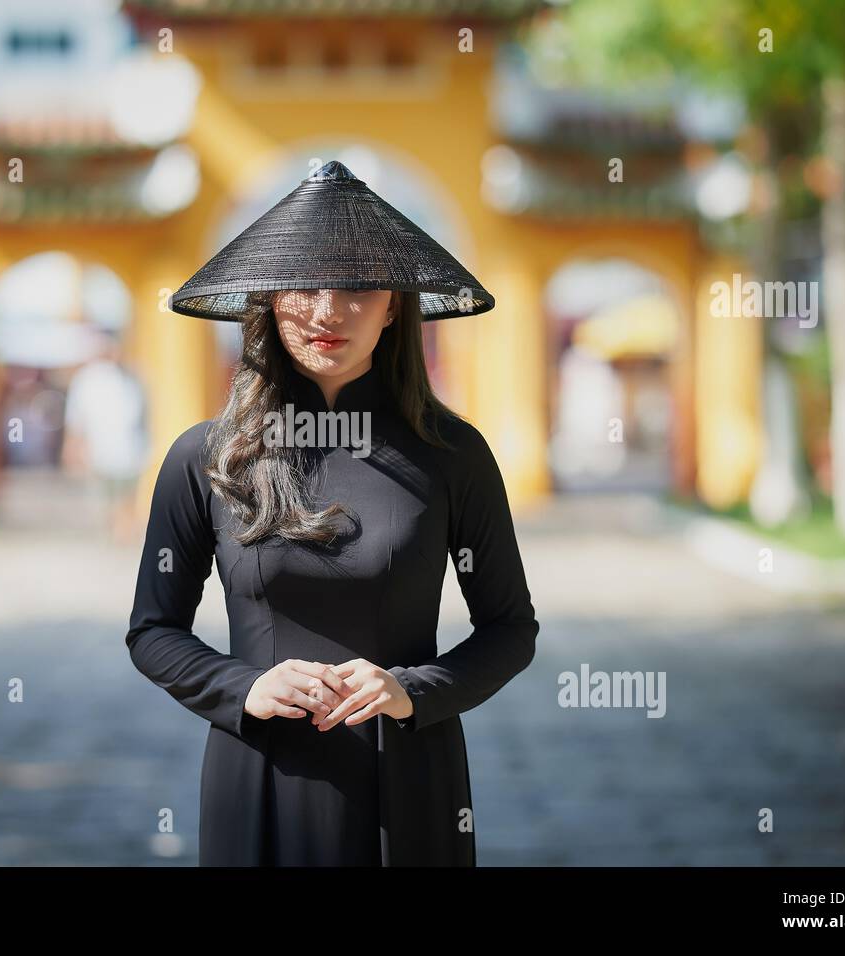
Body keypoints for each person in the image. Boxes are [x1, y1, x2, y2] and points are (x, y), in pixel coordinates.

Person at [125, 161, 539, 866]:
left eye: (355, 288)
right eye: (303, 286)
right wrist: (245, 685)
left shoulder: (453, 453)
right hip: (256, 773)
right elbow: (153, 631)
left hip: (411, 778)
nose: (325, 311)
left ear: (394, 305)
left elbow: (510, 629)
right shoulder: (207, 457)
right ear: (267, 298)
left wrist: (412, 689)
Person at [62, 327, 149, 544]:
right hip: (102, 447)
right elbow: (77, 420)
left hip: (129, 446)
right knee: (108, 492)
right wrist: (73, 448)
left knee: (126, 490)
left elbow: (143, 413)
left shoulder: (131, 377)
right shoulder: (87, 379)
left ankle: (124, 528)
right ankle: (116, 528)